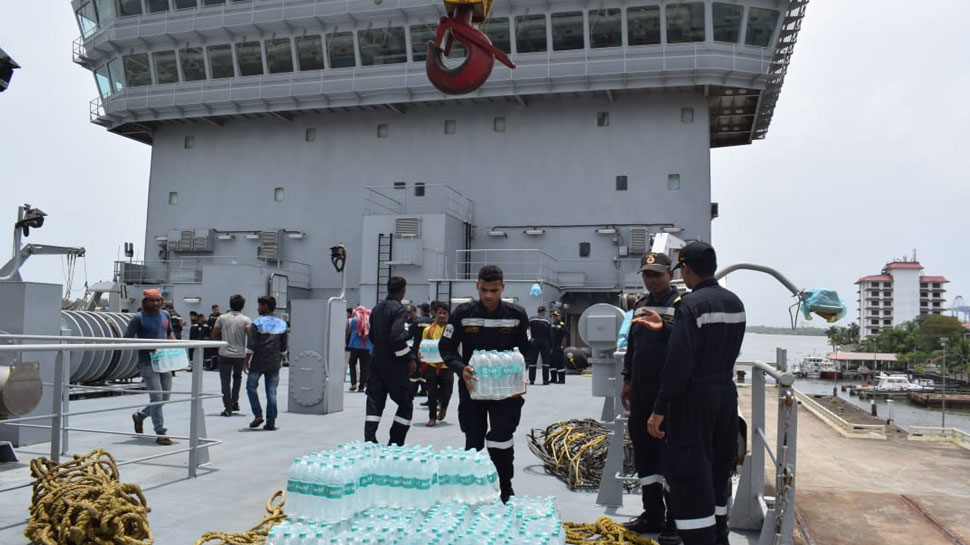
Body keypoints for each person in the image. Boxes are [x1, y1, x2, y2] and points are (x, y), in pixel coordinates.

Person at [645, 242, 745, 545]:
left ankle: (697, 538)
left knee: (689, 473)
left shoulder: (690, 305)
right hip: (725, 396)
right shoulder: (734, 302)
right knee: (717, 469)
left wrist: (659, 408)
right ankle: (719, 534)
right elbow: (712, 345)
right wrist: (666, 329)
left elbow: (679, 364)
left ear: (686, 269)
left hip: (693, 400)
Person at [439, 265, 532, 503]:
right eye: (484, 290)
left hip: (506, 392)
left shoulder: (516, 314)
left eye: (493, 290)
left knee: (502, 439)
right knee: (473, 439)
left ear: (503, 287)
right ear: (477, 286)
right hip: (473, 388)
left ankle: (504, 488)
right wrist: (461, 369)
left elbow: (528, 351)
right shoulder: (462, 313)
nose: (488, 296)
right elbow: (446, 347)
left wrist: (521, 375)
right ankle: (476, 488)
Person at [621, 252, 681, 543]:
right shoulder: (640, 305)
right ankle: (652, 513)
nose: (651, 279)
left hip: (667, 391)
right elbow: (633, 345)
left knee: (669, 457)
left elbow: (687, 344)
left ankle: (674, 520)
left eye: (656, 274)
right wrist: (627, 379)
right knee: (644, 452)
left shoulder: (681, 305)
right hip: (642, 390)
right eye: (646, 274)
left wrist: (665, 327)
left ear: (670, 274)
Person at [365, 276, 417, 445]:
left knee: (375, 401)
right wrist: (409, 358)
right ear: (403, 290)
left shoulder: (377, 309)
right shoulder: (400, 310)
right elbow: (396, 338)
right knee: (406, 403)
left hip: (376, 362)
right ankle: (395, 443)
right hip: (394, 365)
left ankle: (369, 439)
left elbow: (372, 336)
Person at [125, 288, 176, 446]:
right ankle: (161, 432)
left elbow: (169, 333)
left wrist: (176, 349)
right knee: (156, 398)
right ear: (145, 302)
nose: (156, 303)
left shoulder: (165, 315)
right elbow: (127, 339)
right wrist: (147, 346)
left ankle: (140, 416)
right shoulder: (138, 318)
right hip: (147, 362)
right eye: (152, 301)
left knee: (164, 397)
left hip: (164, 361)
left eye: (158, 300)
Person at [245, 295, 288, 431]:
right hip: (274, 362)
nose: (258, 308)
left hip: (258, 361)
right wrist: (281, 358)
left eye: (259, 305)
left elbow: (251, 345)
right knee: (271, 392)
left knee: (251, 387)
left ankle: (258, 414)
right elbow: (283, 346)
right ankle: (271, 422)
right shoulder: (282, 323)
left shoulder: (257, 323)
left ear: (265, 306)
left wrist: (245, 361)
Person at [212, 295, 252, 417]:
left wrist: (220, 347)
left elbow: (214, 334)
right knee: (237, 378)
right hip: (240, 354)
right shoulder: (246, 320)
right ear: (242, 306)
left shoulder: (222, 318)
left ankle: (227, 407)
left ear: (230, 304)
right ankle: (235, 402)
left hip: (224, 353)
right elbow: (250, 337)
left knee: (225, 381)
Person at [420, 302, 453, 427]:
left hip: (447, 366)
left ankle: (444, 407)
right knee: (432, 392)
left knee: (447, 392)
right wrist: (420, 354)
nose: (442, 315)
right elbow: (423, 345)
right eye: (440, 313)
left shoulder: (451, 330)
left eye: (445, 313)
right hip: (431, 366)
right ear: (435, 314)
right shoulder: (428, 330)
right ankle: (432, 417)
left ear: (448, 315)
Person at [347, 305, 373, 392]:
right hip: (366, 346)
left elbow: (349, 330)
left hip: (354, 346)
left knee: (352, 364)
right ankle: (361, 386)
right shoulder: (369, 320)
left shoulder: (353, 320)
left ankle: (353, 383)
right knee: (364, 367)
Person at [527, 306, 553, 385]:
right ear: (544, 312)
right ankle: (545, 380)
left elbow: (526, 329)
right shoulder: (547, 321)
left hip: (534, 340)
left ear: (538, 311)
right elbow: (550, 334)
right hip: (545, 341)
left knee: (532, 362)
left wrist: (529, 339)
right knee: (545, 362)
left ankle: (531, 380)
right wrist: (551, 346)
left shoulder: (531, 319)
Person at [550, 311, 567, 384]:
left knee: (560, 362)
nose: (555, 317)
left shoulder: (562, 324)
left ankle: (561, 379)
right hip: (553, 346)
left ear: (560, 316)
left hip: (558, 345)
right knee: (552, 362)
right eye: (554, 316)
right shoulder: (553, 324)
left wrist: (562, 345)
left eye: (557, 316)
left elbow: (564, 336)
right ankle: (553, 378)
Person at [204, 304, 221, 370]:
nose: (217, 311)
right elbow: (208, 326)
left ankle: (219, 366)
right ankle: (213, 366)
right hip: (212, 336)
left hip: (219, 336)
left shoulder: (220, 316)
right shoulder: (211, 316)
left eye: (217, 309)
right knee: (213, 352)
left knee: (219, 351)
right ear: (212, 310)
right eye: (215, 309)